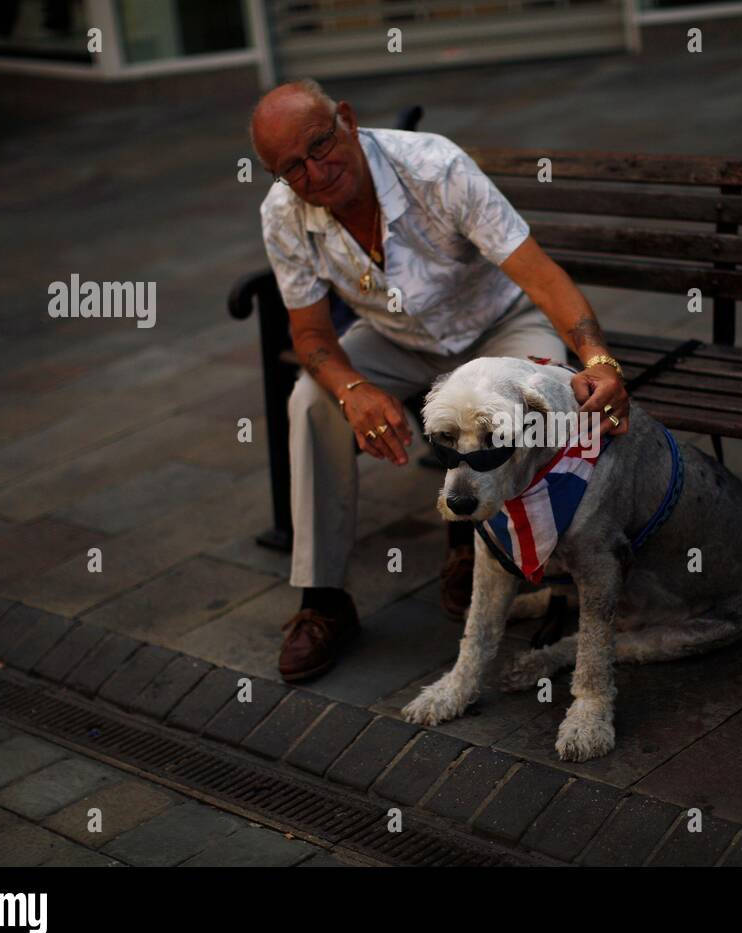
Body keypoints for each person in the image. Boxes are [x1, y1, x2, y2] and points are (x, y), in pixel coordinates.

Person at [249, 79, 632, 682]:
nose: (314, 172)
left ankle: (486, 544)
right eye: (290, 168)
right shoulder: (283, 213)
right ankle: (323, 599)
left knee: (546, 405)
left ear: (346, 119)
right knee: (310, 401)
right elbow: (312, 337)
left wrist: (597, 358)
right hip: (398, 338)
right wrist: (353, 391)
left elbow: (540, 277)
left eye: (320, 145)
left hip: (498, 327)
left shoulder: (434, 165)